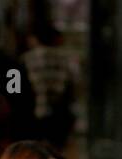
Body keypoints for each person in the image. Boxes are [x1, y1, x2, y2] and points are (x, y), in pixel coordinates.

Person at [21, 22, 79, 150]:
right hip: (59, 115)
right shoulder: (66, 59)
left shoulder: (25, 59)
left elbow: (16, 89)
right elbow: (73, 88)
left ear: (35, 38)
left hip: (33, 115)